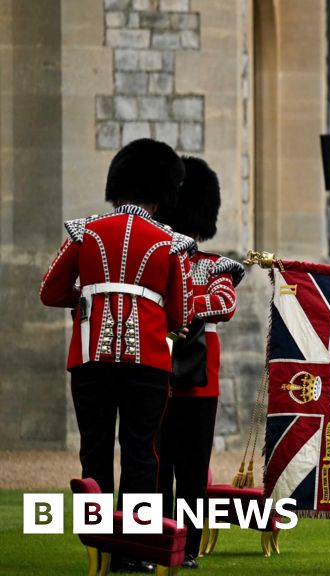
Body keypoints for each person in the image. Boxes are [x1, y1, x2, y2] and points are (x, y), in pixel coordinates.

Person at [40, 138, 193, 573]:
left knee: (95, 453)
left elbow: (50, 291)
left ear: (118, 187)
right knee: (142, 455)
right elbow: (181, 314)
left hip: (90, 362)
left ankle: (99, 548)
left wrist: (89, 297)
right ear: (160, 196)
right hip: (147, 364)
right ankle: (134, 551)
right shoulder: (170, 243)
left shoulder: (85, 232)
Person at [155, 157, 244, 569]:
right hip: (157, 374)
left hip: (200, 380)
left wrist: (175, 305)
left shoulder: (213, 264)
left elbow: (225, 304)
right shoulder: (157, 261)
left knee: (192, 471)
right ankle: (158, 542)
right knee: (158, 468)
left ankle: (188, 547)